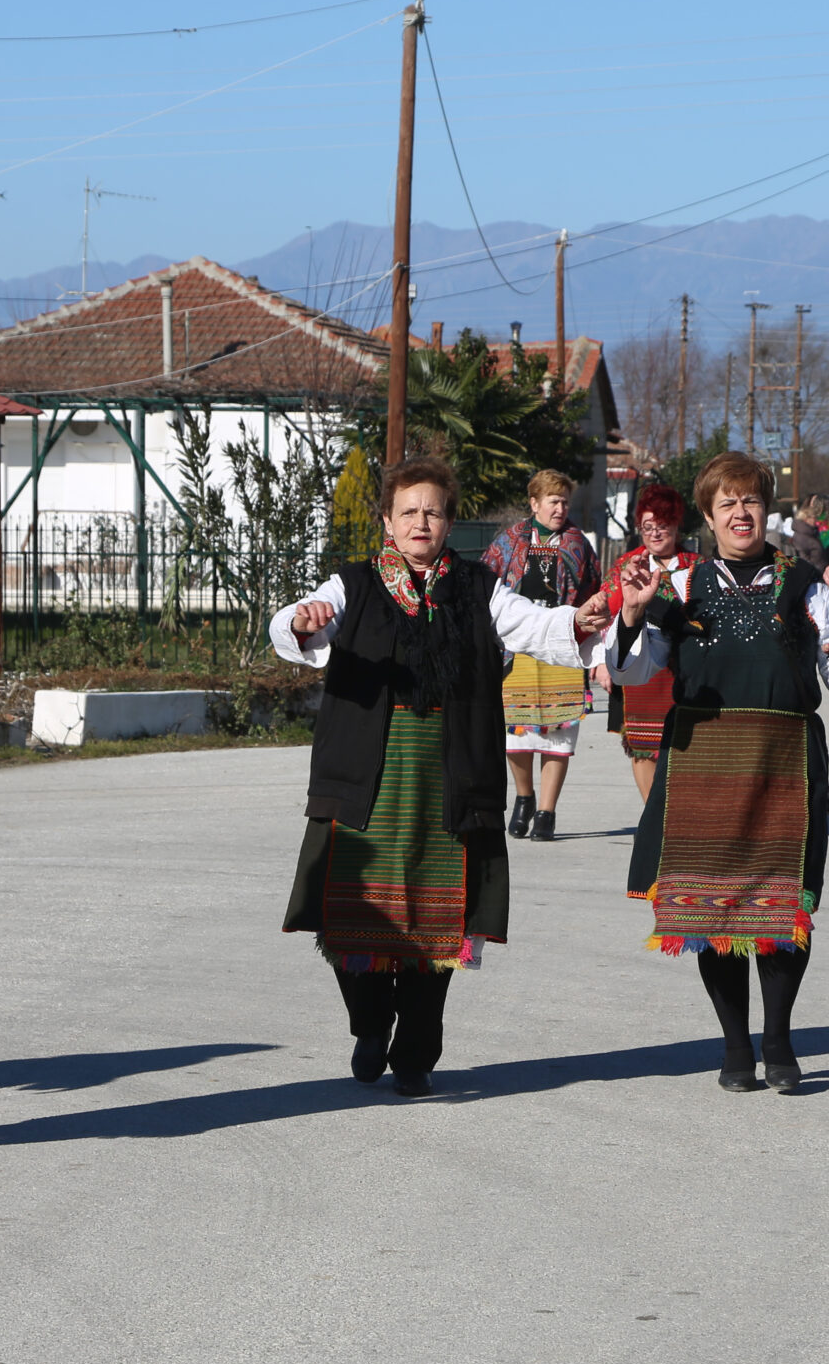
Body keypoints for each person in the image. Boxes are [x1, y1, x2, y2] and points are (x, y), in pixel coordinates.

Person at [273, 457, 612, 1096]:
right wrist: (300, 620)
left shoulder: (478, 587)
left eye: (432, 510)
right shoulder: (353, 585)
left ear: (449, 521)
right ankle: (370, 1023)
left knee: (441, 919)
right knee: (352, 914)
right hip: (364, 776)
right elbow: (298, 620)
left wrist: (578, 619)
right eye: (408, 511)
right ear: (387, 522)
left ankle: (418, 1046)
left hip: (454, 774)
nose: (421, 521)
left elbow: (535, 624)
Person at [610, 452, 829, 1095]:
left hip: (784, 757)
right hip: (703, 756)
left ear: (767, 509)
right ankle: (734, 1045)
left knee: (785, 903)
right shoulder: (677, 586)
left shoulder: (805, 583)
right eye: (726, 503)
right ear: (706, 516)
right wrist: (633, 614)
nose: (740, 513)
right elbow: (633, 671)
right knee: (713, 907)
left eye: (750, 501)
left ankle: (779, 1037)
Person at [480, 469, 599, 841]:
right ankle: (524, 797)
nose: (561, 508)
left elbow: (593, 593)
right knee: (516, 733)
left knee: (559, 731)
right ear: (534, 503)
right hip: (517, 649)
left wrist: (592, 645)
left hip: (562, 646)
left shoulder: (578, 543)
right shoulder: (509, 541)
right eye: (553, 501)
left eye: (565, 501)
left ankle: (546, 813)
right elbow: (485, 582)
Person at [598, 483, 700, 805]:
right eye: (648, 527)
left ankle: (678, 813)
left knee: (687, 745)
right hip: (639, 671)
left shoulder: (699, 567)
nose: (655, 534)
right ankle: (651, 813)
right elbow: (605, 614)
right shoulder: (627, 567)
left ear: (676, 525)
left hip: (686, 671)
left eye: (663, 526)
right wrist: (602, 661)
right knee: (642, 746)